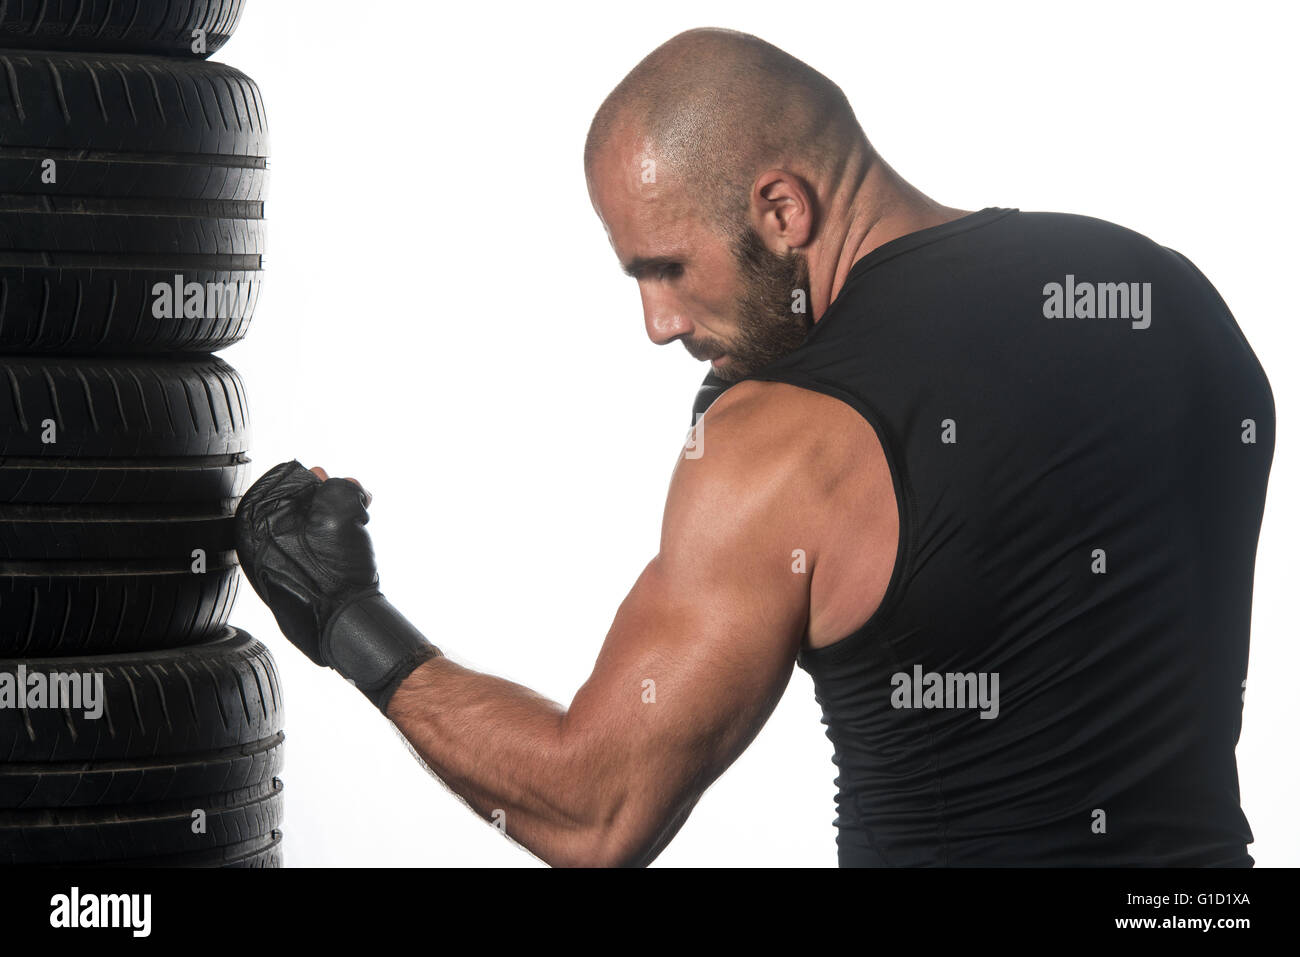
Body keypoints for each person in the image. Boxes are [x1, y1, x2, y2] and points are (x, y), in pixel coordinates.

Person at [236, 28, 1274, 867]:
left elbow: (595, 812)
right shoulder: (1156, 292)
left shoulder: (783, 433)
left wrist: (344, 617)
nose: (653, 321)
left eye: (667, 267)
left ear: (781, 208)